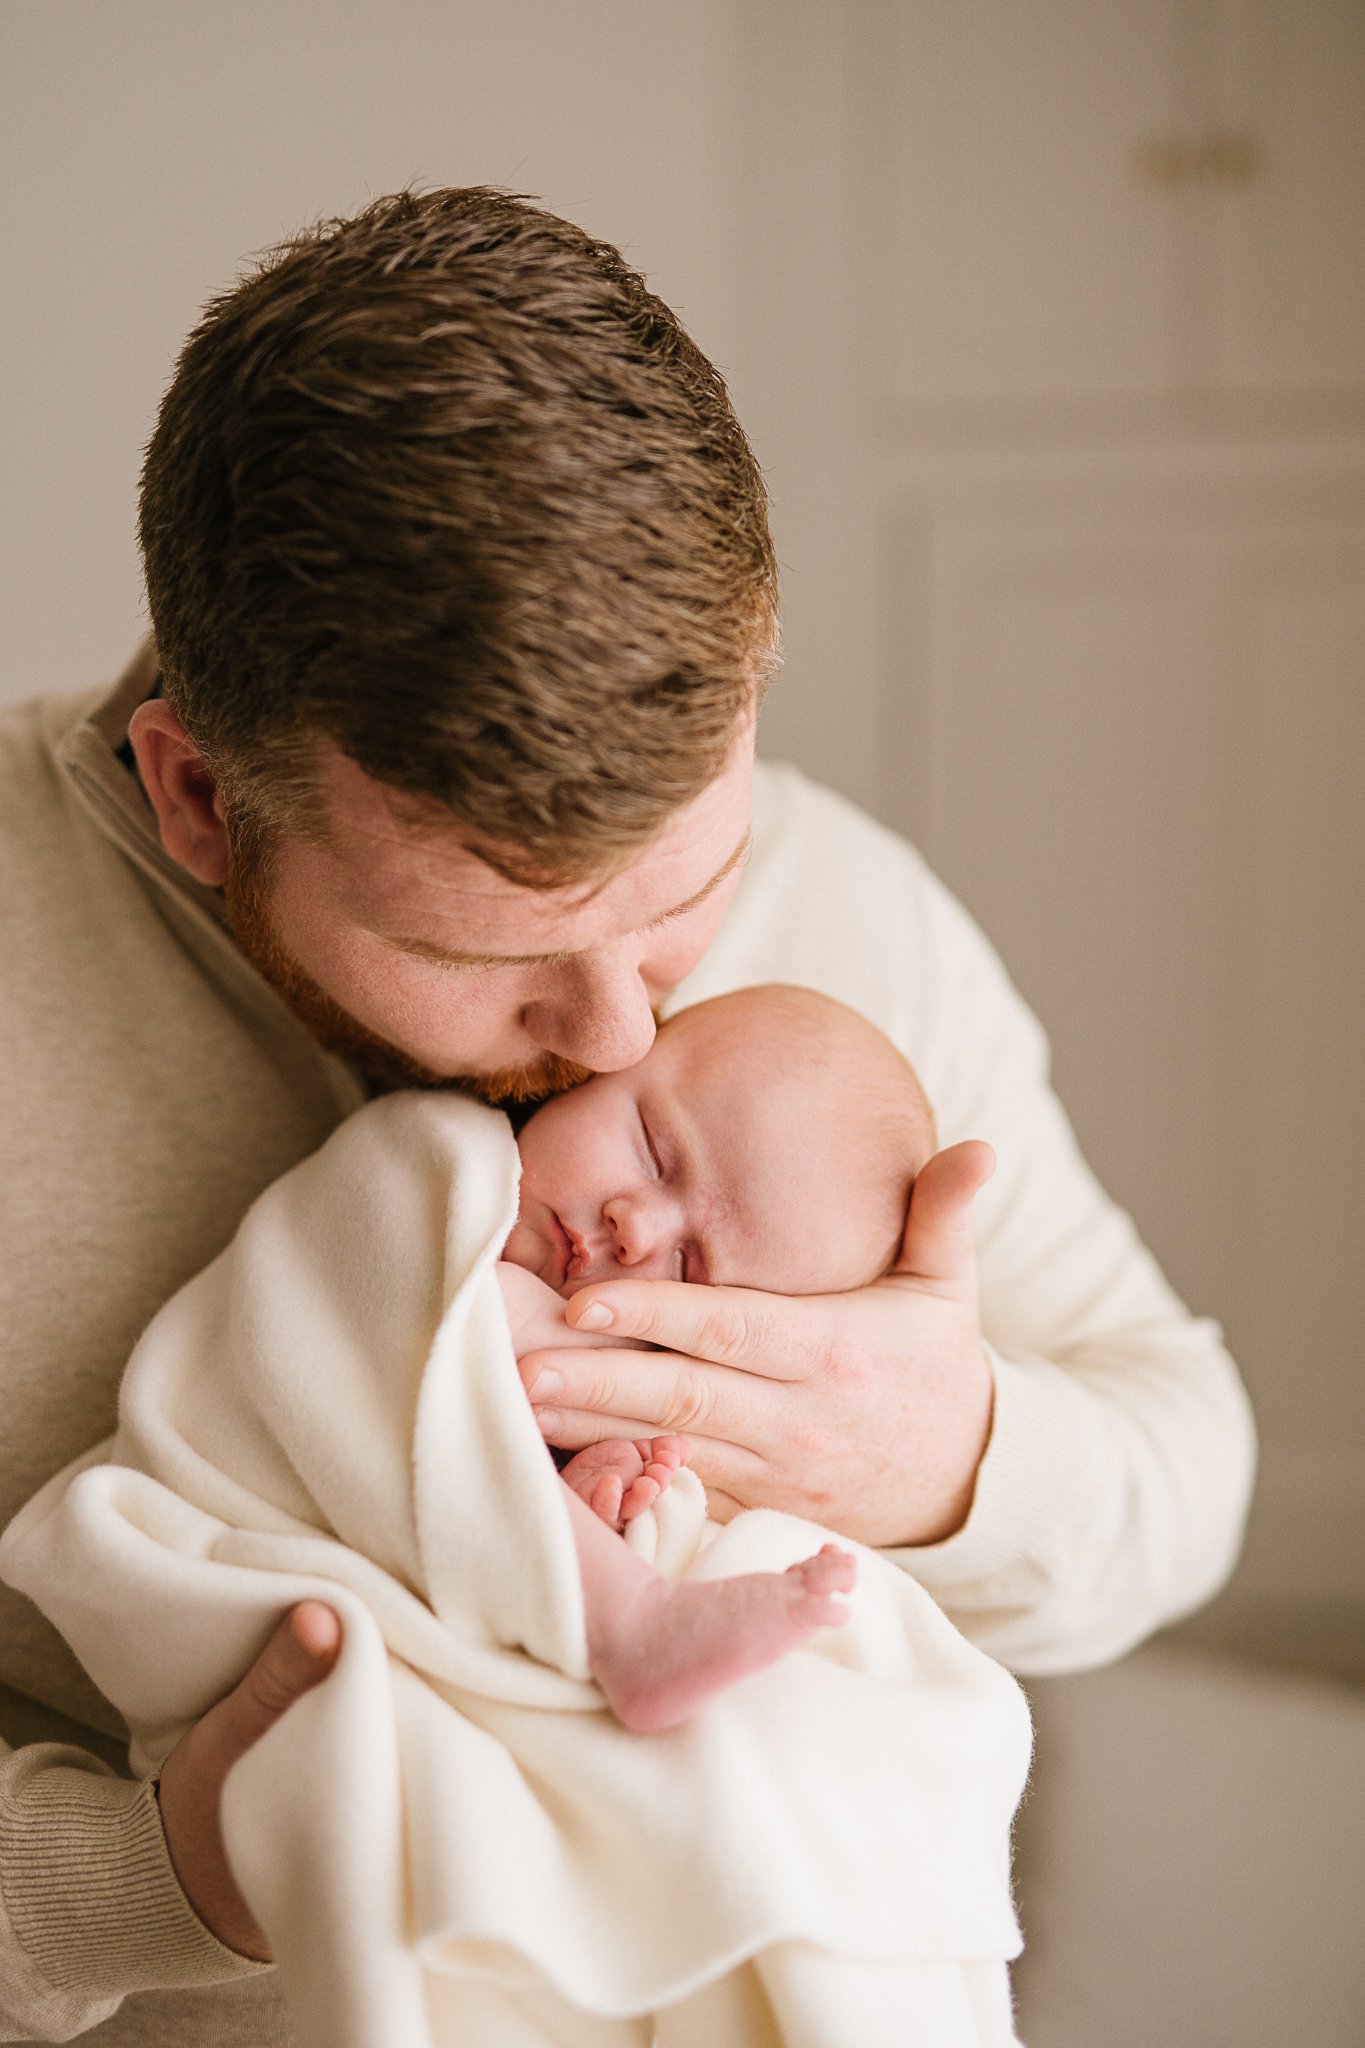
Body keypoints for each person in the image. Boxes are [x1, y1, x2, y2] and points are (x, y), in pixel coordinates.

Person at [0, 186, 1255, 2045]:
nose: (620, 1030)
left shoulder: (854, 909)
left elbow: (1185, 1474)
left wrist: (944, 1454)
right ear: (197, 797)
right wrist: (139, 1879)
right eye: (479, 947)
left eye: (687, 892)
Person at [2, 985, 1030, 2048]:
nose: (638, 1225)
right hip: (215, 1566)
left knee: (847, 1697)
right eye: (652, 1147)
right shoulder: (430, 1169)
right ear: (599, 1068)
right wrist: (135, 1878)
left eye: (690, 1270)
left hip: (399, 1687)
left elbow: (1153, 1467)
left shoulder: (900, 954)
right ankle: (624, 1617)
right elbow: (383, 1346)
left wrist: (613, 1486)